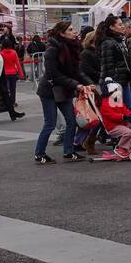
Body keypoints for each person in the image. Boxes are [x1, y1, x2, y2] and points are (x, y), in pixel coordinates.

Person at [35, 20, 89, 164]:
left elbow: (76, 71)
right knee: (50, 123)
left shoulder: (72, 47)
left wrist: (89, 83)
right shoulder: (53, 49)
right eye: (70, 30)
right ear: (62, 33)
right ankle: (39, 154)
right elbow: (53, 74)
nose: (74, 32)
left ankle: (69, 152)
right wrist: (75, 84)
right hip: (49, 90)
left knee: (72, 121)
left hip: (63, 90)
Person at [98, 14, 131, 87]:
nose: (123, 26)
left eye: (122, 24)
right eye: (120, 25)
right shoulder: (107, 43)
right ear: (111, 27)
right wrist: (114, 83)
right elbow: (108, 66)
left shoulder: (120, 40)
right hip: (115, 83)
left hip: (123, 81)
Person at [0, 38, 22, 110]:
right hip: (13, 73)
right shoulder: (14, 52)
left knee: (6, 89)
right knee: (13, 89)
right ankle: (13, 102)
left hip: (4, 73)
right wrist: (21, 74)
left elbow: (0, 65)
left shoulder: (1, 53)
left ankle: (6, 102)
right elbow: (18, 64)